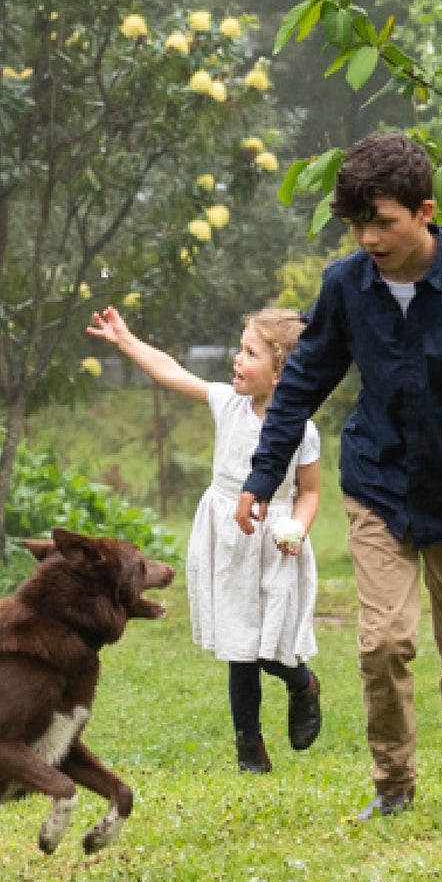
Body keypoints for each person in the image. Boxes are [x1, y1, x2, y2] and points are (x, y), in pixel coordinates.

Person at [235, 133, 442, 819]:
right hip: (378, 485)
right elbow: (301, 384)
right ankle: (393, 784)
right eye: (357, 223)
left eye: (382, 222)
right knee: (384, 640)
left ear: (424, 212)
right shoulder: (346, 285)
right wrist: (262, 476)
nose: (368, 238)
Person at [87, 303, 322, 774]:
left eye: (251, 353)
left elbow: (311, 492)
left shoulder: (301, 429)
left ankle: (302, 684)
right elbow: (172, 373)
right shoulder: (228, 404)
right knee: (239, 648)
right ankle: (249, 749)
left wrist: (296, 529)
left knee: (269, 646)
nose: (237, 359)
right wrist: (126, 340)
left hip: (274, 546)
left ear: (280, 374)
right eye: (240, 348)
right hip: (229, 540)